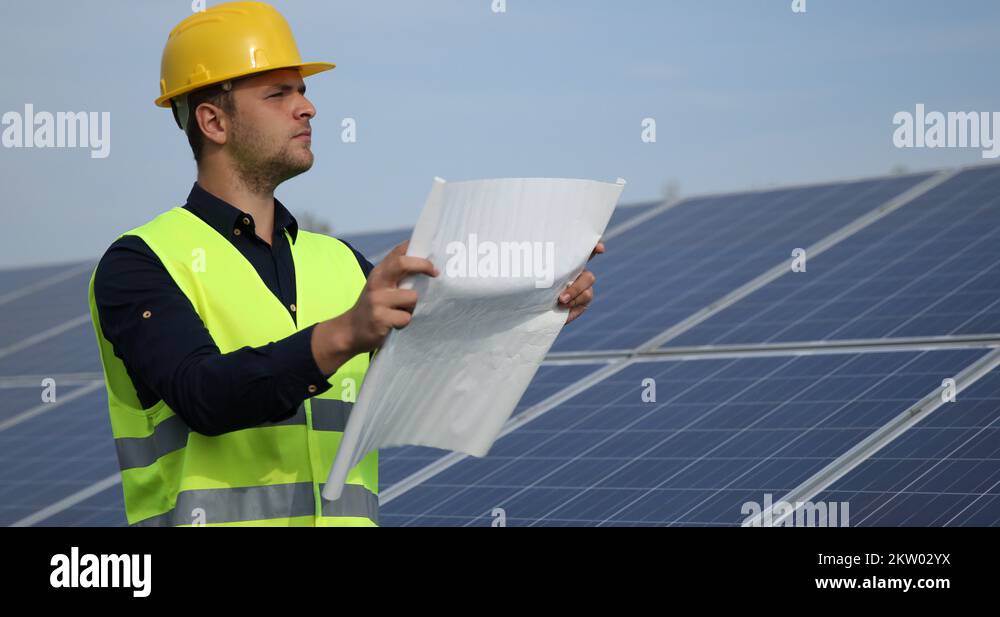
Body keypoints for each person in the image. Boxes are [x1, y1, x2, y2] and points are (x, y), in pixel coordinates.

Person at [88, 1, 602, 526]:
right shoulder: (141, 264)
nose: (307, 108)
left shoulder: (340, 264)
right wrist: (345, 334)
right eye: (278, 94)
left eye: (304, 91)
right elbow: (204, 396)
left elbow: (440, 387)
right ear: (213, 121)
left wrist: (536, 305)